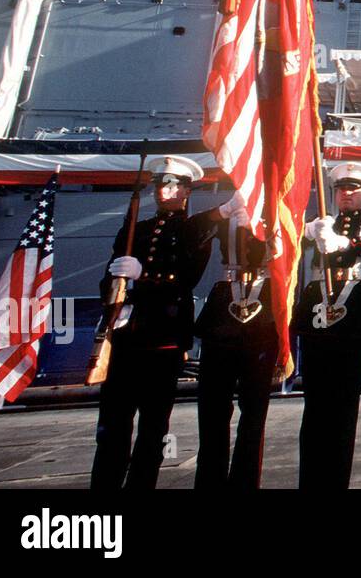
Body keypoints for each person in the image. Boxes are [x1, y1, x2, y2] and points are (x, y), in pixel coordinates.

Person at [91, 155, 218, 490]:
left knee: (153, 428)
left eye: (173, 184)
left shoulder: (194, 231)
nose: (164, 190)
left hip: (163, 339)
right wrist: (117, 281)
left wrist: (143, 275)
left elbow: (187, 279)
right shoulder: (135, 230)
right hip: (125, 339)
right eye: (160, 184)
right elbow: (107, 280)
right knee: (112, 427)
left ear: (186, 191)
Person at [290, 162, 361, 490]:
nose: (345, 194)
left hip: (354, 318)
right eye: (340, 189)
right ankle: (310, 481)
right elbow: (290, 249)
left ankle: (336, 482)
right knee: (315, 404)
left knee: (345, 406)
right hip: (318, 315)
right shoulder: (321, 222)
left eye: (353, 189)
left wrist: (344, 244)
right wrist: (305, 233)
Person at [193, 199, 276, 489]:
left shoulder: (280, 214)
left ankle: (245, 481)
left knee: (254, 412)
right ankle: (209, 481)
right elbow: (190, 233)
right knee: (212, 407)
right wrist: (221, 212)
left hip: (264, 310)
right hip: (223, 309)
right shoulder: (226, 212)